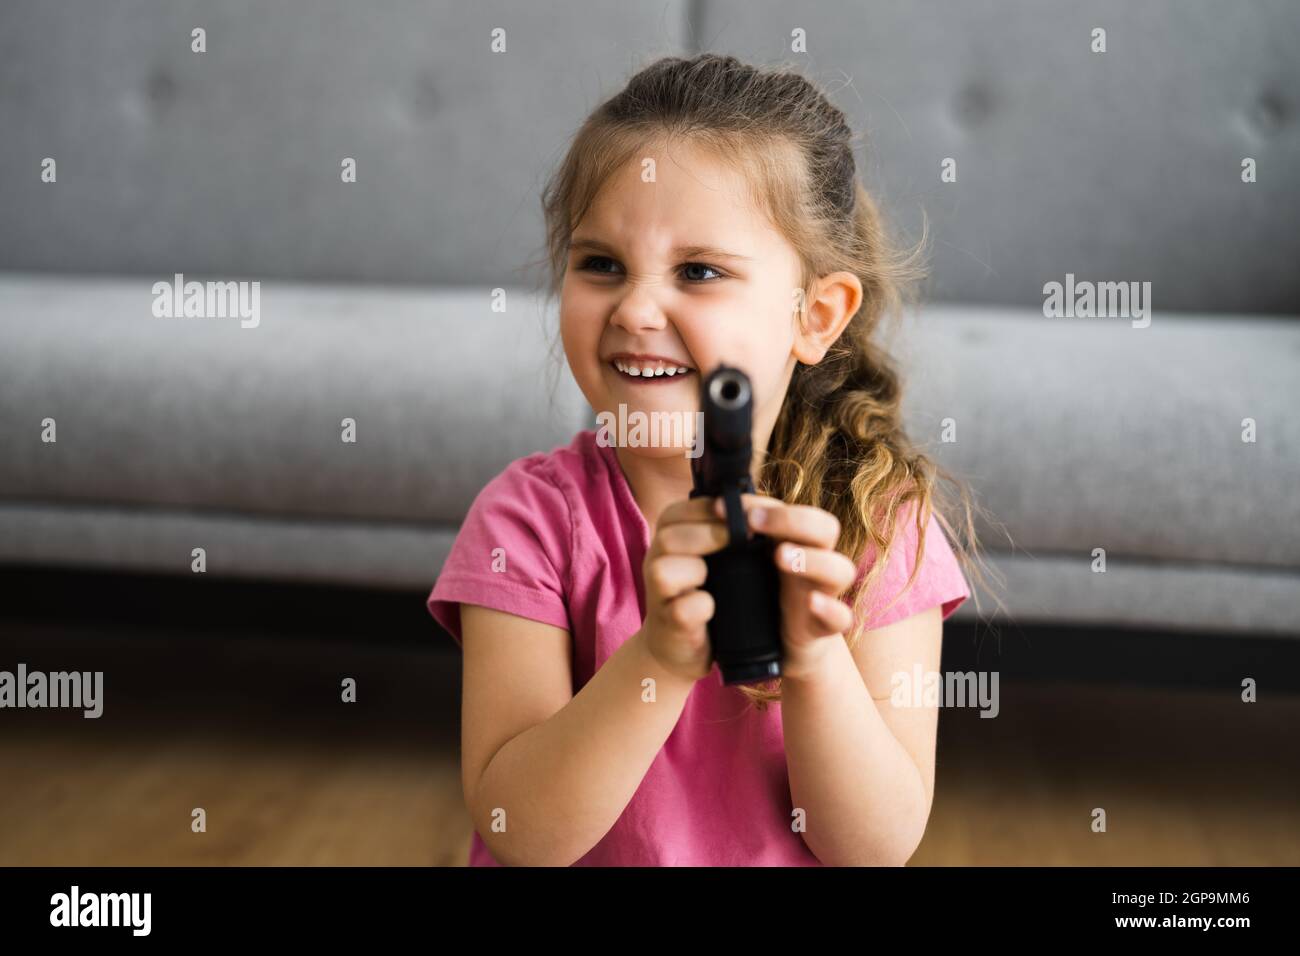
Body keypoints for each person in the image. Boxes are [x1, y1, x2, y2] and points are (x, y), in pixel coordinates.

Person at [428, 53, 997, 866]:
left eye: (699, 271)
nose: (635, 308)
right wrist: (658, 658)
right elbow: (520, 831)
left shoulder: (878, 521)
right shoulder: (525, 522)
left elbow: (873, 848)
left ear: (816, 316)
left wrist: (814, 657)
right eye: (601, 264)